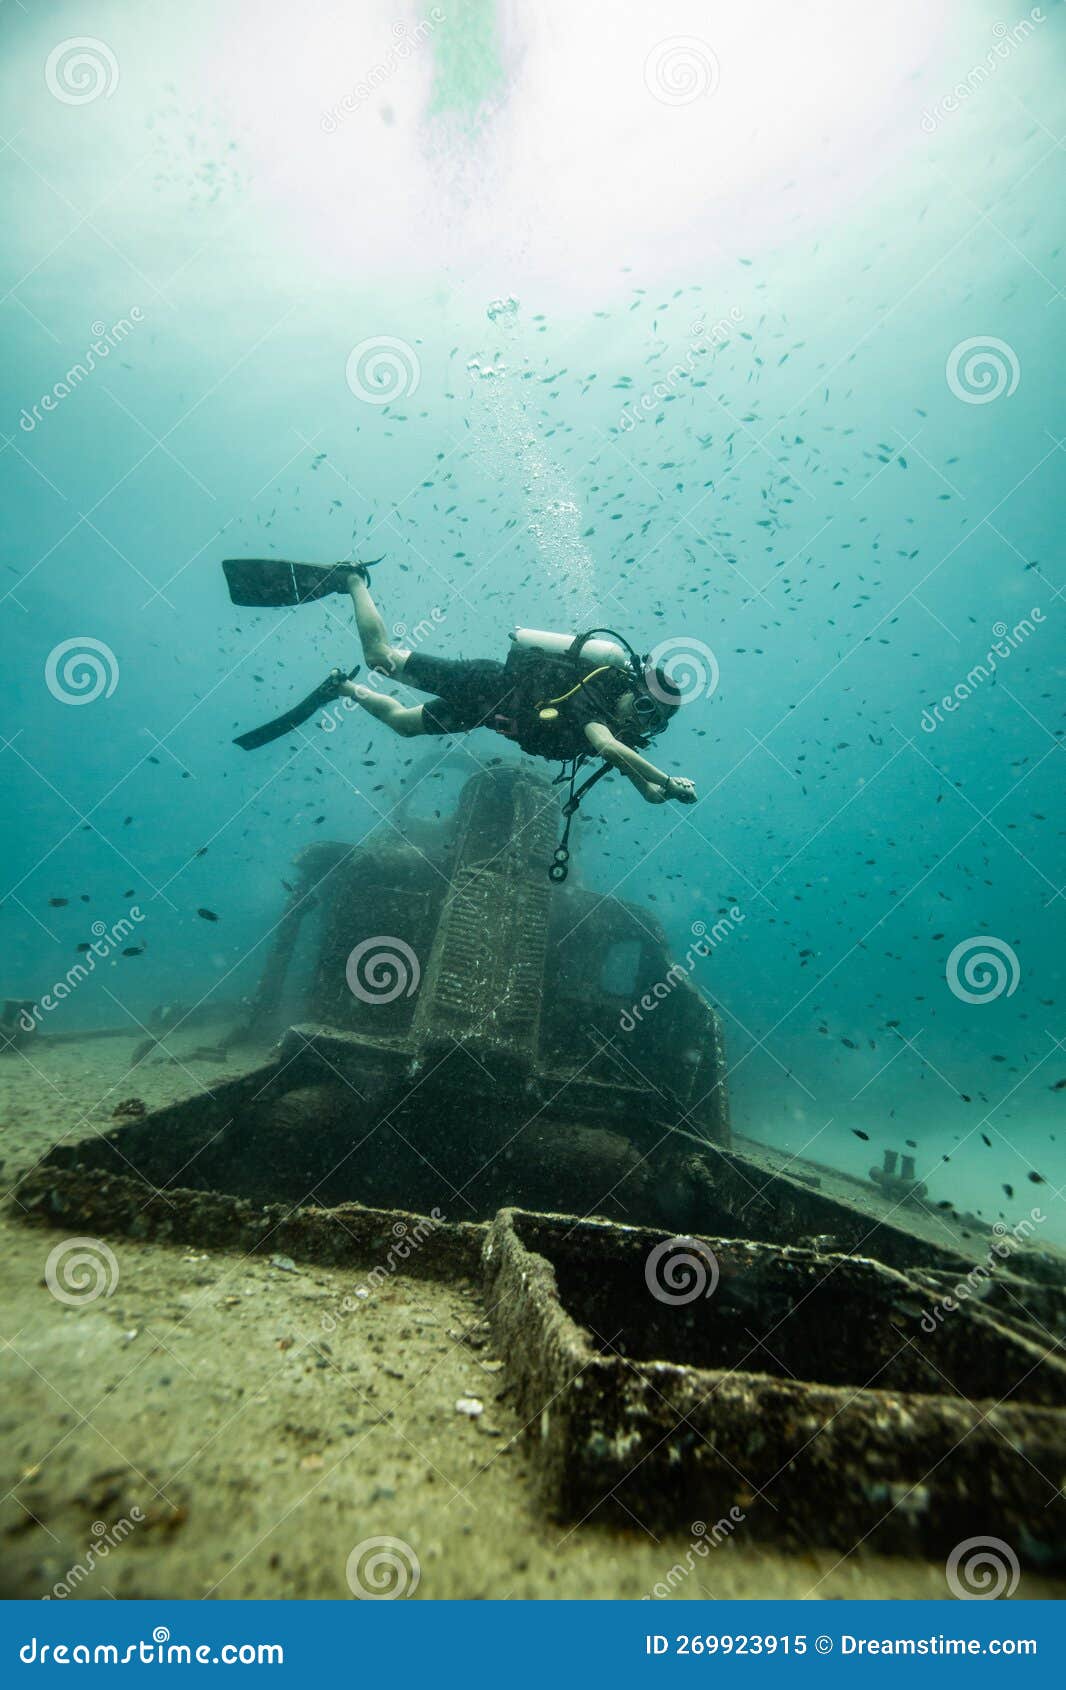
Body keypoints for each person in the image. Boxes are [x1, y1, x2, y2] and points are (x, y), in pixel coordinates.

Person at [223, 556, 698, 808]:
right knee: (381, 659)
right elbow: (610, 749)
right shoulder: (595, 695)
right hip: (483, 686)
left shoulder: (616, 732)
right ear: (632, 691)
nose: (641, 723)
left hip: (485, 714)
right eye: (644, 708)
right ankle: (352, 579)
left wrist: (658, 792)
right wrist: (668, 780)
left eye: (653, 723)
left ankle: (341, 688)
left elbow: (635, 777)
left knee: (403, 725)